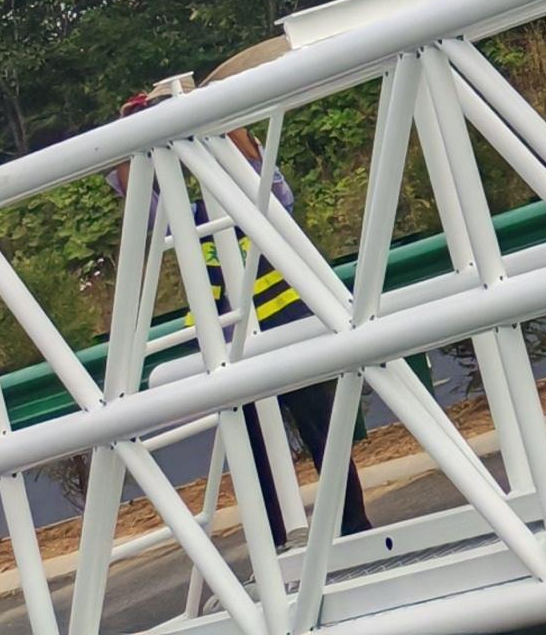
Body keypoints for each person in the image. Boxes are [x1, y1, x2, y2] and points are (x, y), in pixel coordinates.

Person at [109, 95, 374, 548]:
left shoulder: (261, 198)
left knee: (323, 433)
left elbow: (251, 155)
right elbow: (136, 196)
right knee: (252, 454)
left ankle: (353, 526)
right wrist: (132, 130)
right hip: (228, 349)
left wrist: (205, 105)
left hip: (285, 334)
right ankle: (274, 543)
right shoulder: (187, 220)